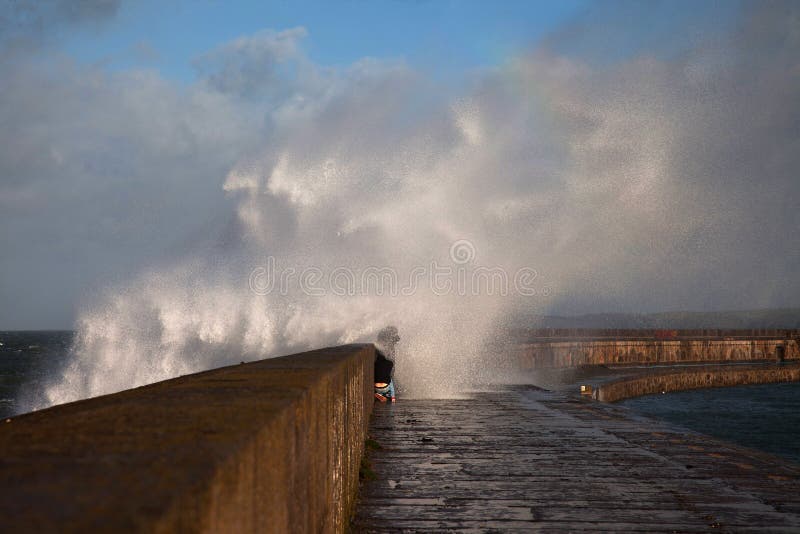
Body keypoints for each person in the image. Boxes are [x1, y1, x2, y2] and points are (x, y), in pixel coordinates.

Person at [374, 326, 399, 403]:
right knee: (389, 374)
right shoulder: (389, 337)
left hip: (388, 358)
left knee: (389, 373)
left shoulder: (383, 336)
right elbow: (397, 339)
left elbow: (397, 339)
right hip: (389, 359)